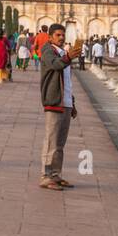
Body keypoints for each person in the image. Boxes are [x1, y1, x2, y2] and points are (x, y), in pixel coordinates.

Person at [39, 24, 81, 190]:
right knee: (51, 141)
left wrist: (72, 102)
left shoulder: (63, 52)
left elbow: (67, 81)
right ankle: (45, 176)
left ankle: (55, 174)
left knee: (60, 143)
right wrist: (69, 57)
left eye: (63, 35)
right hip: (54, 100)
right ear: (50, 37)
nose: (61, 38)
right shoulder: (48, 50)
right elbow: (56, 65)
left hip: (65, 103)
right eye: (58, 35)